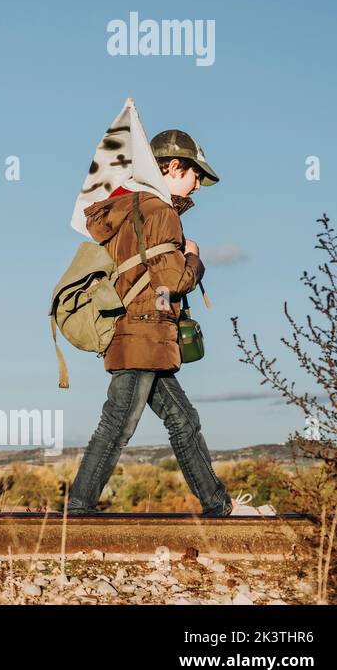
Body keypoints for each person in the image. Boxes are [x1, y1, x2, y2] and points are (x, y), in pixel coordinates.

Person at [66, 130, 272, 517]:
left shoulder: (130, 210)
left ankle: (218, 505)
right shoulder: (159, 212)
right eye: (195, 173)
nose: (198, 183)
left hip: (141, 331)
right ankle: (77, 512)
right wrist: (193, 257)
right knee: (117, 425)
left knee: (182, 419)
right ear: (173, 166)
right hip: (143, 332)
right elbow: (172, 281)